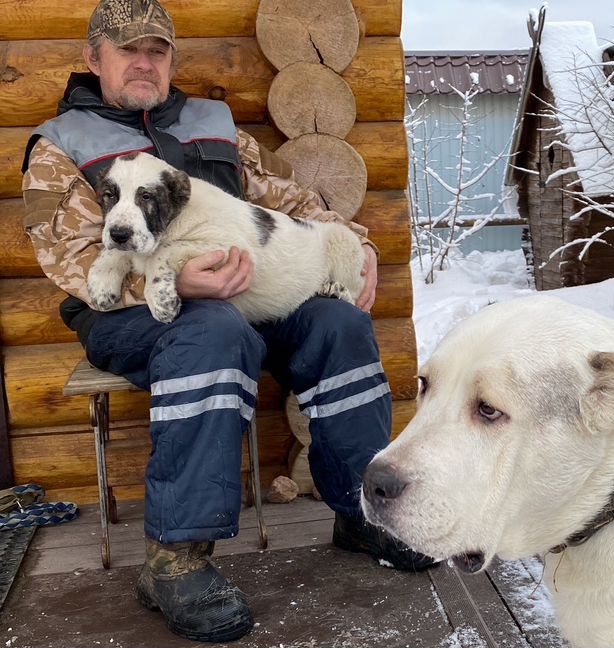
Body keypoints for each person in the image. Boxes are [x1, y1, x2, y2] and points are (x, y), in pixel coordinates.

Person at [21, 0, 434, 642]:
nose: (143, 62)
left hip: (246, 302)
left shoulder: (214, 127)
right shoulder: (61, 144)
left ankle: (361, 512)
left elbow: (290, 200)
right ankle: (175, 559)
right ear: (92, 58)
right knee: (212, 333)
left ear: (171, 61)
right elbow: (67, 255)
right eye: (128, 50)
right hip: (134, 317)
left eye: (156, 51)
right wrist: (173, 281)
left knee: (338, 326)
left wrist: (356, 241)